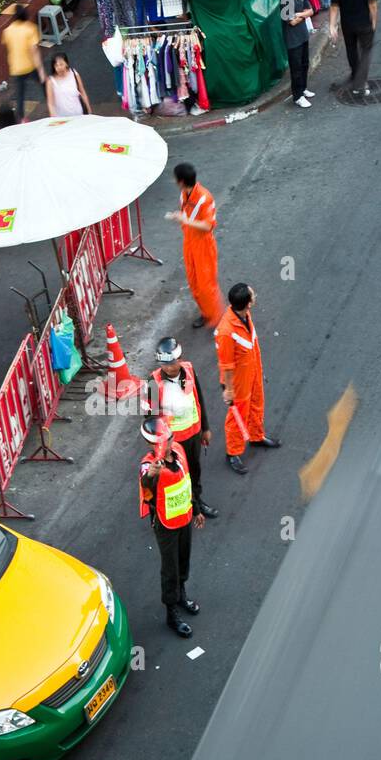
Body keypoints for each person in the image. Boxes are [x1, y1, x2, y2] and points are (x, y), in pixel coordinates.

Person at [138, 416, 205, 638]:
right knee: (170, 568)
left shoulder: (178, 451)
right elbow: (147, 489)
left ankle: (182, 595)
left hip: (184, 518)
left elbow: (186, 482)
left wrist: (195, 510)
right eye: (165, 440)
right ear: (153, 444)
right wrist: (150, 477)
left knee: (184, 560)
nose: (170, 442)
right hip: (165, 526)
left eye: (170, 438)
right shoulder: (149, 466)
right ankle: (171, 612)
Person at [148, 337, 218, 518]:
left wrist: (206, 428)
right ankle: (182, 508)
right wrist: (159, 447)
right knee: (178, 476)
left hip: (194, 435)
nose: (169, 367)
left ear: (180, 358)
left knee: (194, 470)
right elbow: (151, 418)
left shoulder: (189, 370)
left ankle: (197, 502)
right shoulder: (154, 382)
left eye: (173, 362)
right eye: (165, 364)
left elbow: (198, 398)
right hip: (174, 442)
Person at [215, 282, 281, 474]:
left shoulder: (244, 316)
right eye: (253, 294)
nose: (255, 295)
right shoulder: (227, 332)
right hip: (237, 382)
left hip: (252, 373)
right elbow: (226, 365)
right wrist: (228, 390)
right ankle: (233, 452)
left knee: (256, 405)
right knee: (238, 417)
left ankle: (256, 435)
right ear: (248, 303)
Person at [165, 163, 223, 329]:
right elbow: (186, 214)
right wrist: (179, 216)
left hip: (203, 245)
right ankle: (206, 313)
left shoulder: (205, 198)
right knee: (194, 282)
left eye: (176, 179)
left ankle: (215, 318)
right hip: (189, 243)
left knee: (206, 284)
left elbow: (208, 226)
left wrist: (185, 220)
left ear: (181, 181)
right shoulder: (184, 195)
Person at [328, 0, 378, 97]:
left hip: (347, 25)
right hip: (364, 24)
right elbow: (372, 4)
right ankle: (360, 84)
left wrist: (332, 26)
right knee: (366, 51)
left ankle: (355, 74)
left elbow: (334, 7)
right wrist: (373, 21)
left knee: (351, 50)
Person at [281, 0, 317, 108]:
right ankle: (297, 96)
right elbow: (291, 22)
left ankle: (303, 89)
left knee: (304, 65)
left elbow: (311, 11)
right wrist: (304, 14)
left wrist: (299, 14)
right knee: (296, 69)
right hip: (292, 40)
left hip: (303, 36)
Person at [1, 5, 44, 121]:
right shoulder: (31, 28)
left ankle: (21, 118)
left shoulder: (7, 31)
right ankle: (52, 104)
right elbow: (34, 50)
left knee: (20, 95)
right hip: (30, 66)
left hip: (16, 68)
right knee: (44, 85)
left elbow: (7, 44)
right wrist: (41, 70)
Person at [45, 52, 92, 117]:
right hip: (61, 119)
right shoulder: (51, 81)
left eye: (61, 64)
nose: (59, 67)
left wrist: (89, 110)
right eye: (56, 65)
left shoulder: (74, 75)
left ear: (66, 63)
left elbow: (82, 92)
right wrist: (53, 118)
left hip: (78, 115)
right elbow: (50, 103)